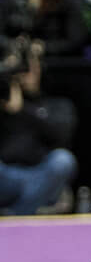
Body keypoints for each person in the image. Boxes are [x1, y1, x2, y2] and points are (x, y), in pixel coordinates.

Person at [0, 42, 78, 215]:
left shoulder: (56, 105)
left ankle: (16, 216)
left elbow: (61, 136)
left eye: (28, 69)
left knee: (63, 160)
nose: (23, 75)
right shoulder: (4, 108)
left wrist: (22, 109)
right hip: (6, 177)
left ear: (39, 70)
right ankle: (24, 211)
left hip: (40, 175)